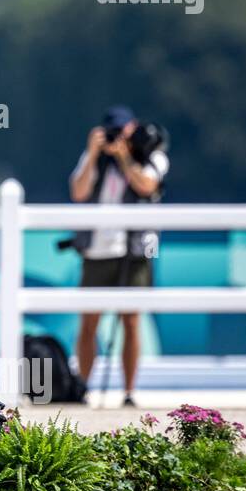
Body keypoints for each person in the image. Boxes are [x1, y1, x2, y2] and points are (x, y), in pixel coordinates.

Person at [68, 105, 169, 407]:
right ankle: (83, 388)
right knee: (88, 323)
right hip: (97, 250)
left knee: (131, 321)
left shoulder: (152, 154)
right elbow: (79, 192)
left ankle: (129, 391)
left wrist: (125, 156)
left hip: (134, 249)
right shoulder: (95, 157)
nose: (117, 136)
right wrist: (94, 153)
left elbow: (147, 185)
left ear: (133, 127)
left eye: (122, 130)